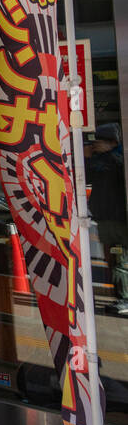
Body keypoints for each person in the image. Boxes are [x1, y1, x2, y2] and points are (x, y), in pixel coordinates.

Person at [86, 123, 128, 316]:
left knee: (121, 260)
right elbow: (86, 174)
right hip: (106, 218)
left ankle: (125, 299)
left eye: (99, 142)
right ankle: (121, 296)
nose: (96, 145)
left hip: (119, 218)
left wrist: (102, 155)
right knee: (112, 260)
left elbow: (116, 169)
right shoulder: (102, 159)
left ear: (111, 141)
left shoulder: (118, 157)